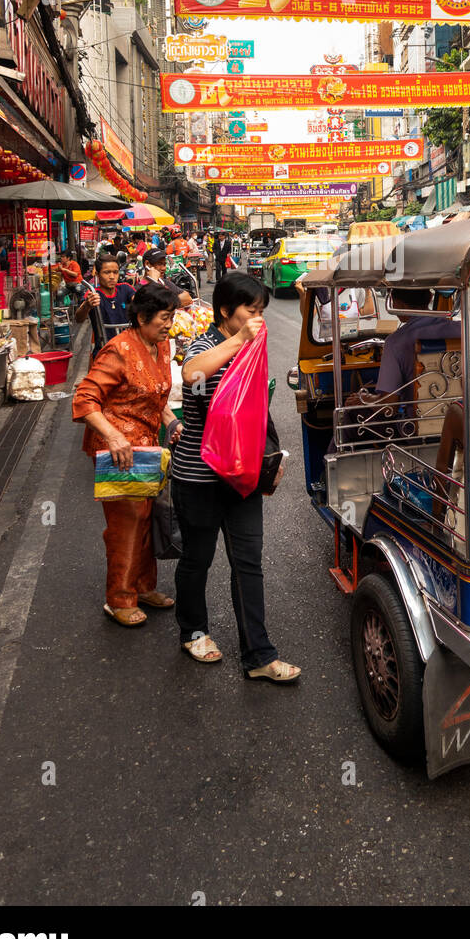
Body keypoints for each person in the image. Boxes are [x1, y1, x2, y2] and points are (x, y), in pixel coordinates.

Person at [172, 272, 300, 682]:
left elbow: (255, 412)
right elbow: (192, 377)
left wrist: (269, 460)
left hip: (242, 477)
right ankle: (193, 631)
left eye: (262, 311)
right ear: (226, 311)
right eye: (251, 310)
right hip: (200, 477)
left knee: (249, 563)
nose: (258, 318)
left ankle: (259, 655)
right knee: (198, 558)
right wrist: (240, 339)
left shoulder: (254, 348)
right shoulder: (207, 344)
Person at [72, 282, 182, 625]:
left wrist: (171, 420)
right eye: (164, 318)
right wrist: (114, 436)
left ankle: (143, 586)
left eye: (171, 317)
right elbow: (84, 400)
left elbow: (155, 394)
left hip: (147, 446)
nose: (169, 324)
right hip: (116, 450)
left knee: (148, 518)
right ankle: (119, 599)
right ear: (142, 316)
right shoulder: (117, 350)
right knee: (127, 524)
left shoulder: (161, 347)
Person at [74, 254, 137, 359]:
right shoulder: (92, 294)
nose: (112, 277)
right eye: (107, 272)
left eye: (115, 272)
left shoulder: (125, 289)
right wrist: (87, 305)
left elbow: (141, 302)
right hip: (104, 351)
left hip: (128, 348)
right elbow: (78, 318)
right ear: (98, 274)